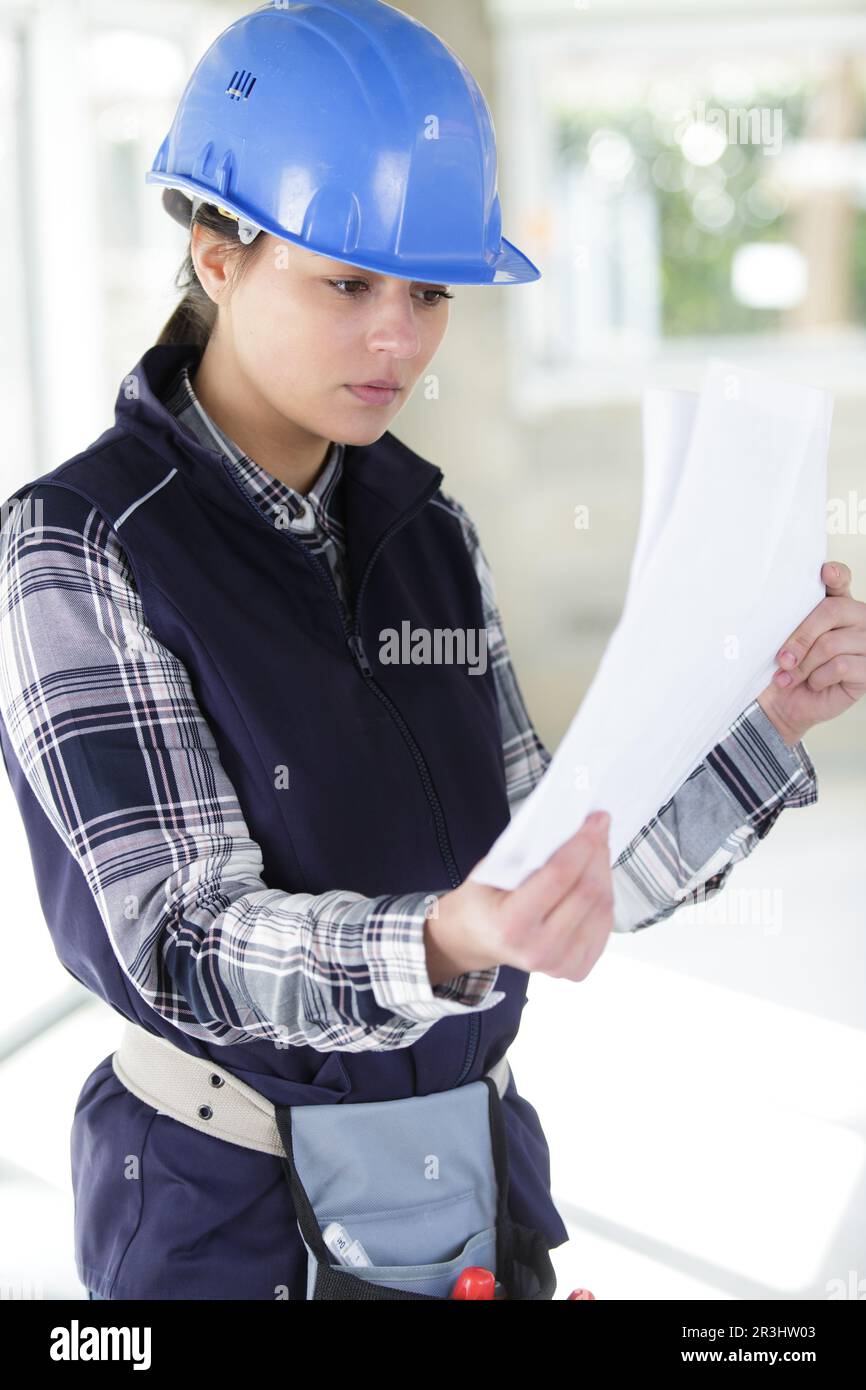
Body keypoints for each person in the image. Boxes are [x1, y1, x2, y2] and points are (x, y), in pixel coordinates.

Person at [2, 0, 858, 1302]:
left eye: (429, 290)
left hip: (462, 1177)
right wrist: (444, 944)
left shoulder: (423, 523)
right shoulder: (80, 546)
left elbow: (548, 859)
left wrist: (770, 723)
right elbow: (183, 939)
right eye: (346, 282)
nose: (399, 337)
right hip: (226, 1218)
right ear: (215, 252)